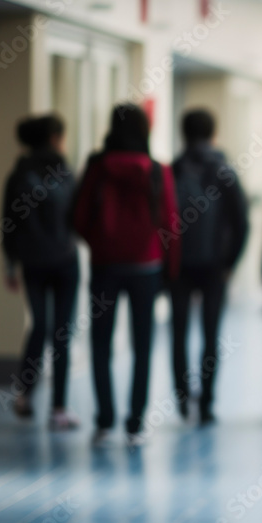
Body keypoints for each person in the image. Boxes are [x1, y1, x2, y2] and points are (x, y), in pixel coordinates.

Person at [73, 104, 180, 446]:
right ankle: (135, 424)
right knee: (142, 344)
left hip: (105, 265)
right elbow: (171, 222)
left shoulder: (97, 166)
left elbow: (77, 215)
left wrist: (99, 242)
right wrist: (171, 268)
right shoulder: (157, 170)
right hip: (146, 268)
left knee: (100, 344)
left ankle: (104, 422)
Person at [169, 109, 249, 425]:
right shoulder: (224, 171)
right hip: (215, 266)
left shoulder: (172, 170)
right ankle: (207, 404)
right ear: (214, 134)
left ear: (183, 134)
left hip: (179, 267)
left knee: (178, 332)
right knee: (210, 334)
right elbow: (242, 222)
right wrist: (231, 262)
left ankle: (182, 397)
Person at [2, 115, 80, 430]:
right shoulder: (65, 171)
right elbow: (77, 216)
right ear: (53, 137)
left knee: (39, 326)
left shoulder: (18, 174)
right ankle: (59, 407)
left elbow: (8, 223)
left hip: (31, 261)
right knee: (62, 333)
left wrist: (10, 264)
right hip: (65, 260)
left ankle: (24, 394)